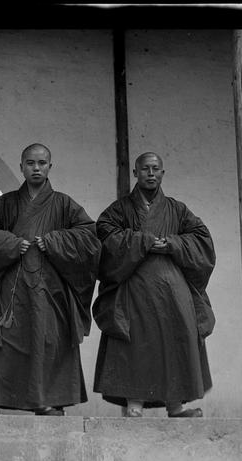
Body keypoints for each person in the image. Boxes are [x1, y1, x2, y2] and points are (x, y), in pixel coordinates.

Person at [0, 143, 101, 416]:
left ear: (50, 166)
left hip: (49, 290)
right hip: (10, 290)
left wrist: (54, 241)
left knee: (47, 341)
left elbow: (90, 238)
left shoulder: (64, 204)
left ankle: (45, 402)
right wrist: (10, 244)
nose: (36, 168)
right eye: (31, 163)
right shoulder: (5, 204)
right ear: (21, 166)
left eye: (42, 163)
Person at [92, 152, 216, 418]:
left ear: (162, 173)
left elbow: (201, 239)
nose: (150, 173)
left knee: (176, 341)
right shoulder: (120, 209)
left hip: (173, 289)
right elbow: (105, 233)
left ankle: (176, 406)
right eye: (145, 169)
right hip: (134, 287)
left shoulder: (178, 210)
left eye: (156, 168)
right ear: (135, 173)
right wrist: (142, 241)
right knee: (135, 343)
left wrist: (172, 243)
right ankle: (134, 405)